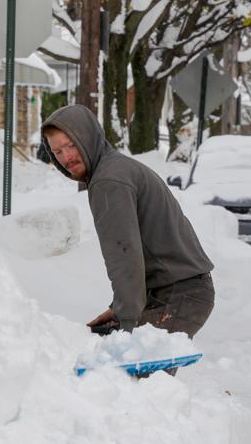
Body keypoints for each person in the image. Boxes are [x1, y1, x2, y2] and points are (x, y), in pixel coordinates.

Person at [40, 105, 215, 339]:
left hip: (178, 294)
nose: (66, 158)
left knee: (131, 371)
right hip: (177, 291)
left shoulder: (108, 181)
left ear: (88, 137)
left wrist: (126, 318)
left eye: (71, 145)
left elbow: (124, 256)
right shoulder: (115, 169)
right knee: (126, 368)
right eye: (58, 152)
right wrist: (118, 309)